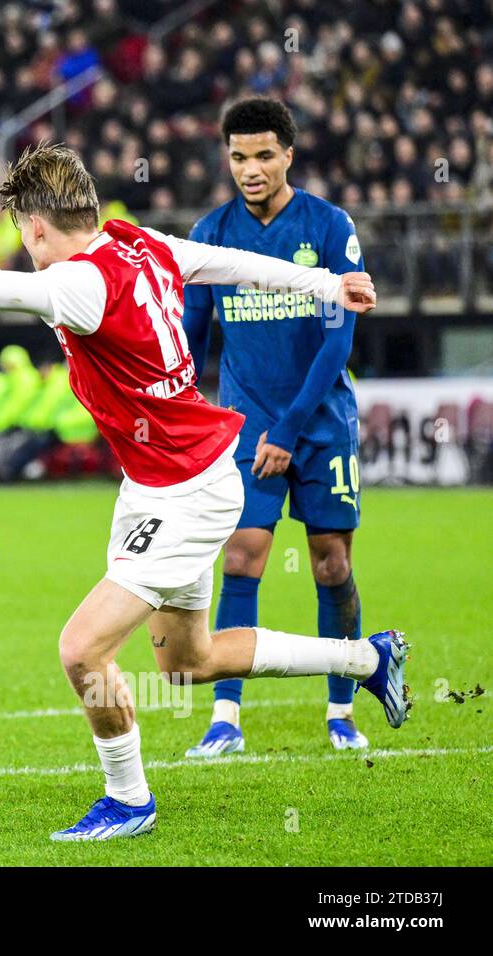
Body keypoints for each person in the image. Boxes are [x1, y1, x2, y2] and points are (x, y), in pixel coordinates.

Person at [0, 145, 410, 841]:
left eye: (25, 234)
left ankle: (129, 800)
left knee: (82, 650)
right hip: (161, 482)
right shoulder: (135, 240)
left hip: (185, 488)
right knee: (187, 663)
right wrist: (326, 283)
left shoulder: (80, 282)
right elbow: (226, 264)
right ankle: (367, 657)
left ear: (34, 228)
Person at [181, 98, 372, 756]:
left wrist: (289, 429)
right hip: (244, 422)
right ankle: (226, 719)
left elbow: (337, 342)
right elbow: (192, 336)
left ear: (289, 154)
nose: (251, 169)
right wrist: (183, 412)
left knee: (330, 564)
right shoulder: (209, 231)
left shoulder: (328, 226)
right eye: (238, 157)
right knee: (241, 556)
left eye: (264, 155)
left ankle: (342, 708)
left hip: (319, 424)